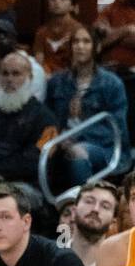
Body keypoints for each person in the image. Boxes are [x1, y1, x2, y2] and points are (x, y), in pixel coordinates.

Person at [45, 25, 131, 187]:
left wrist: (74, 138)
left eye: (86, 41)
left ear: (96, 47)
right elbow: (46, 119)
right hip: (61, 141)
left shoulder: (111, 83)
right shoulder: (57, 82)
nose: (80, 46)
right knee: (40, 152)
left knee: (78, 151)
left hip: (103, 146)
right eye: (76, 42)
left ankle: (82, 201)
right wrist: (48, 144)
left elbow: (116, 127)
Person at [0, 50, 58, 186]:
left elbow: (37, 161)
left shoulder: (46, 119)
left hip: (23, 185)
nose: (9, 80)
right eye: (4, 74)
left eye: (16, 74)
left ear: (30, 77)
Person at [33, 0, 80, 76]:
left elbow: (78, 64)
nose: (56, 1)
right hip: (46, 77)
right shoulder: (41, 32)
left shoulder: (79, 30)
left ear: (73, 6)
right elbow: (38, 62)